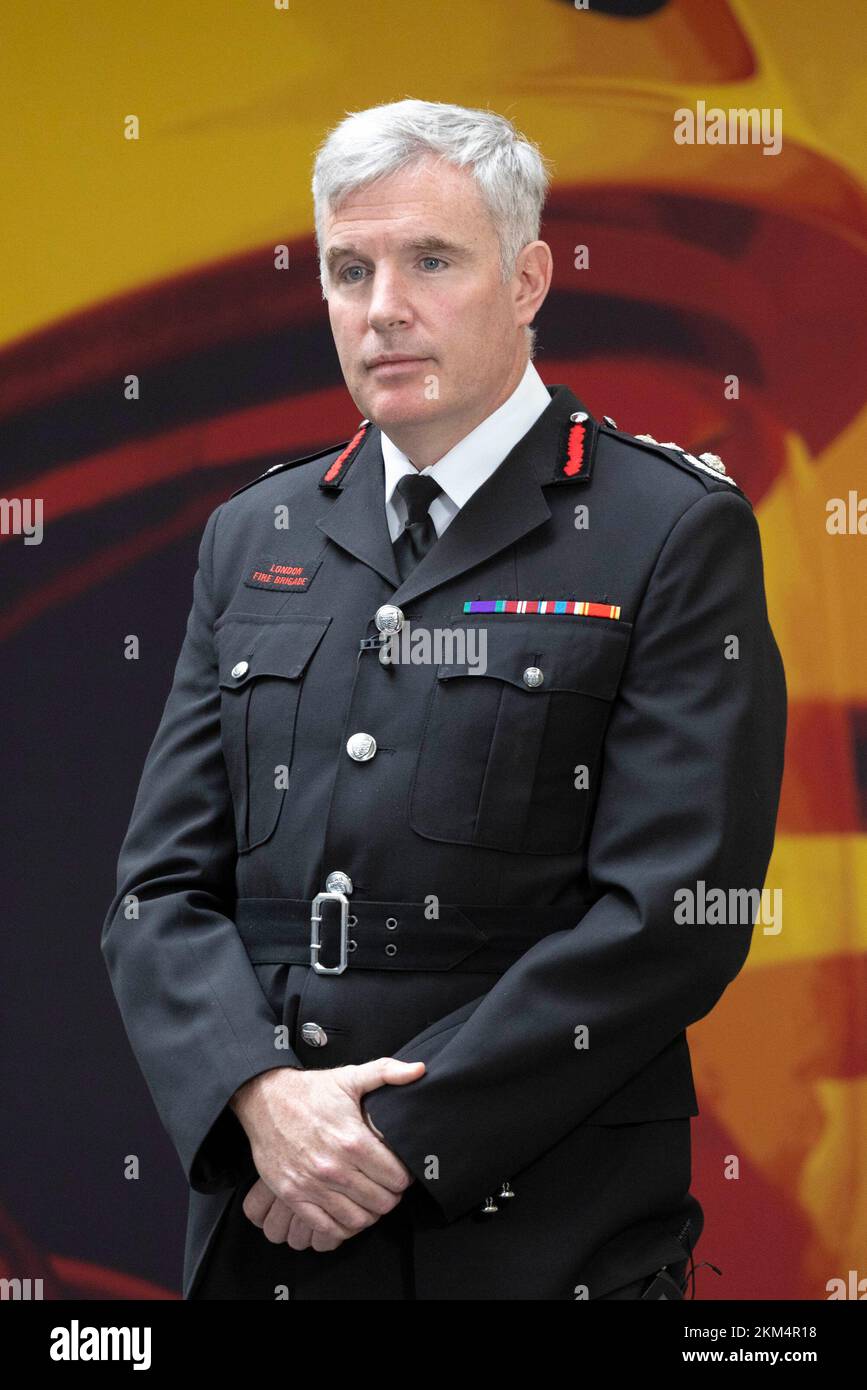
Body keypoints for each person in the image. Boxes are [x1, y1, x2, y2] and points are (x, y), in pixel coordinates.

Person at [101, 97, 787, 1300]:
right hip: (269, 1228)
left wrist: (386, 1142)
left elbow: (672, 914)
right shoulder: (252, 533)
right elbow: (159, 890)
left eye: (431, 261)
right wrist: (261, 1101)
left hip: (536, 1241)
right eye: (348, 269)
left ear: (527, 280)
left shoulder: (669, 531)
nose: (382, 310)